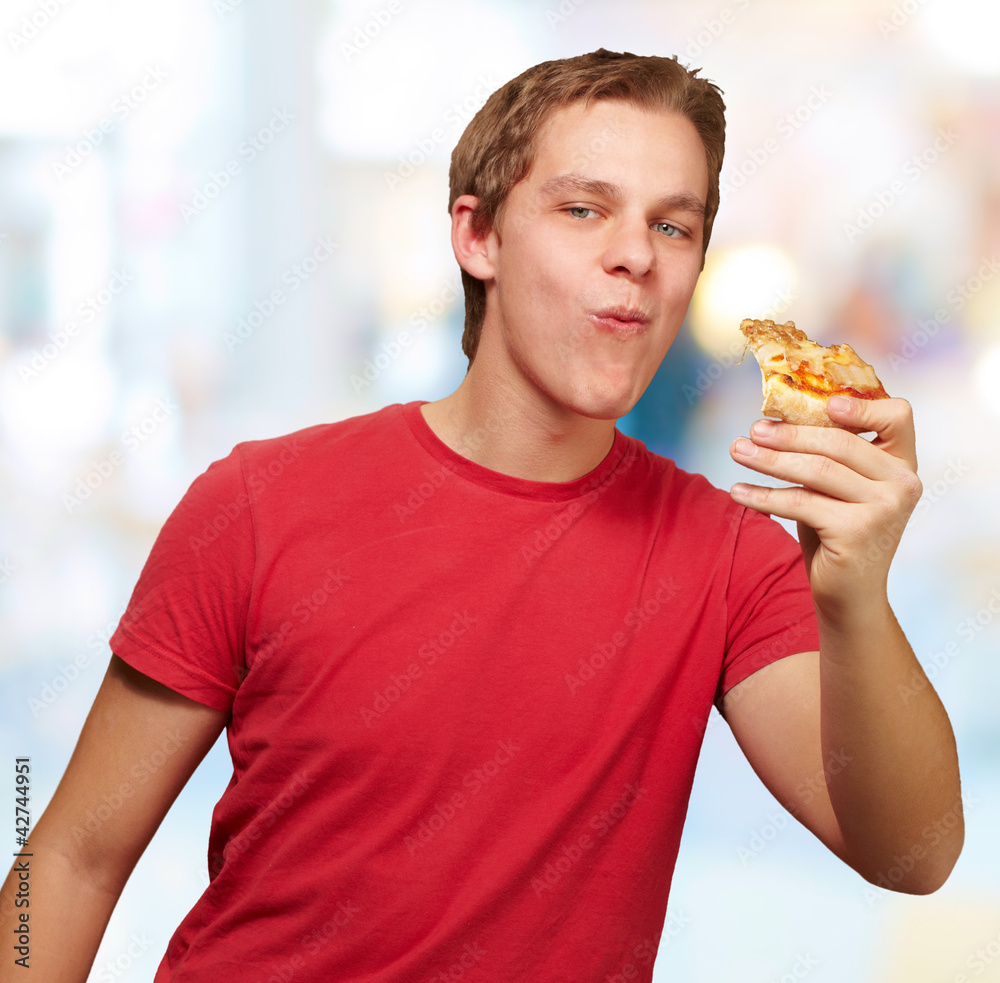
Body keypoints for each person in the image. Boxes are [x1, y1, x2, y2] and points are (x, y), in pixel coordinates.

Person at [0, 47, 963, 982]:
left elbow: (913, 855)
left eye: (674, 226)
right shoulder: (256, 503)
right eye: (585, 209)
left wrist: (856, 594)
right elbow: (71, 859)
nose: (635, 254)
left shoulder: (729, 559)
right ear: (478, 236)